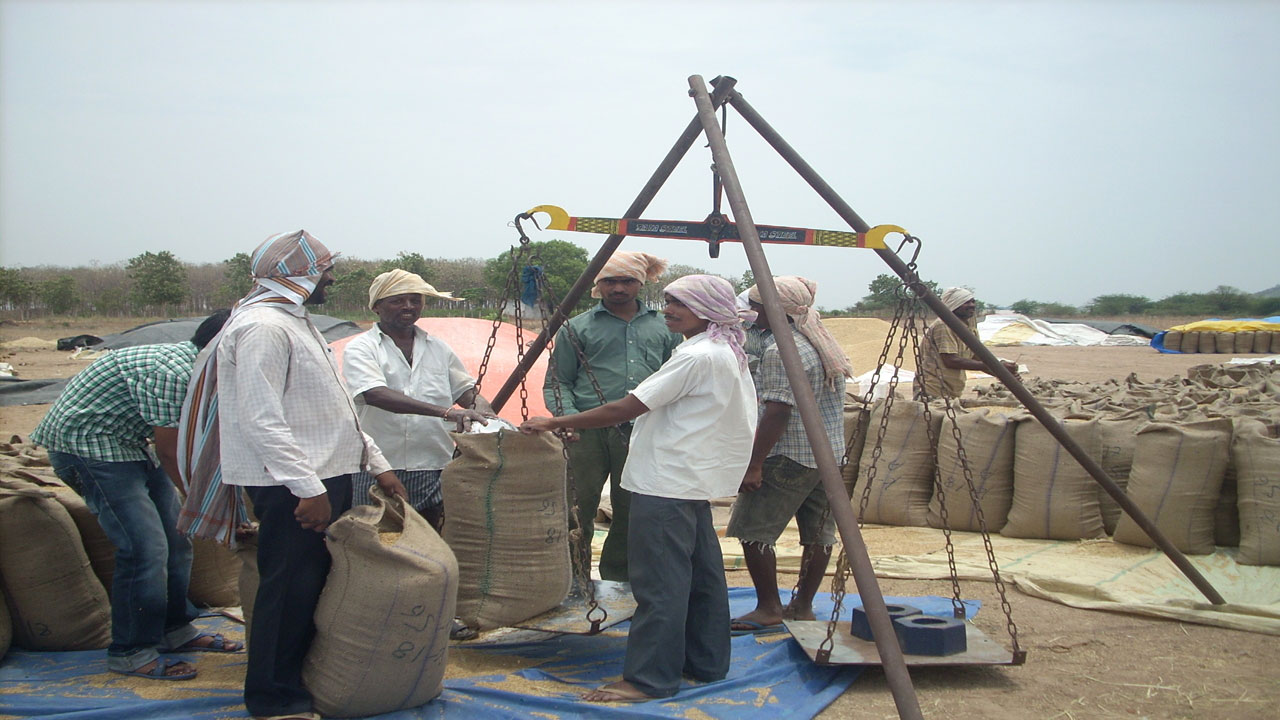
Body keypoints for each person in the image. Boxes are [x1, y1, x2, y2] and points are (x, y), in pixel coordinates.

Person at [179, 230, 408, 720]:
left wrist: (378, 464)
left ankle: (300, 681)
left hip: (326, 471)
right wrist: (306, 489)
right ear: (297, 274)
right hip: (295, 482)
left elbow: (336, 409)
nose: (330, 278)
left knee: (311, 587)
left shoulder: (296, 323)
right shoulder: (263, 327)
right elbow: (261, 418)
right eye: (324, 269)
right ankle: (273, 699)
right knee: (288, 590)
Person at [521, 274, 757, 703]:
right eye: (666, 301)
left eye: (678, 304)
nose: (667, 309)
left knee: (659, 584)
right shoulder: (725, 351)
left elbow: (626, 406)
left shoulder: (696, 356)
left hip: (664, 481)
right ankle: (705, 662)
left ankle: (649, 679)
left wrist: (555, 420)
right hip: (691, 480)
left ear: (705, 310)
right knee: (702, 578)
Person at [31, 309, 238, 681]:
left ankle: (175, 630)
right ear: (225, 346)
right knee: (145, 548)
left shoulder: (209, 374)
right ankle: (131, 651)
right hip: (88, 447)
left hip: (129, 444)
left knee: (177, 540)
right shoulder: (175, 373)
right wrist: (202, 502)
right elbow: (172, 451)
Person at [542, 251, 680, 583]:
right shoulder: (577, 328)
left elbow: (675, 379)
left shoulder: (665, 327)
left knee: (633, 512)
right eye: (610, 281)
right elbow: (558, 381)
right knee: (576, 509)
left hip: (642, 431)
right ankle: (573, 581)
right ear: (598, 285)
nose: (618, 288)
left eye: (627, 281)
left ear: (641, 282)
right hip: (586, 433)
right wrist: (569, 420)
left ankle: (620, 582)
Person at [725, 276, 853, 634]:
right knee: (818, 534)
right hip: (826, 454)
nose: (751, 312)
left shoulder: (781, 350)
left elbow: (778, 411)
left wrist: (754, 464)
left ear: (775, 310)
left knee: (753, 531)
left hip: (788, 454)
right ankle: (803, 606)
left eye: (756, 306)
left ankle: (768, 607)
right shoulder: (817, 338)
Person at [341, 269, 496, 531]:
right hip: (380, 465)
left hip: (431, 463)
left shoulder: (437, 348)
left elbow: (466, 391)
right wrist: (448, 413)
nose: (408, 306)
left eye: (415, 300)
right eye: (398, 300)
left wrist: (483, 411)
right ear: (377, 307)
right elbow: (374, 394)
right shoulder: (362, 348)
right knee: (376, 538)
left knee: (428, 538)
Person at [916, 287, 1018, 400]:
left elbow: (977, 358)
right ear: (954, 304)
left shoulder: (969, 328)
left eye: (973, 301)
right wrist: (997, 367)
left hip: (952, 389)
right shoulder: (944, 325)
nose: (971, 305)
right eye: (966, 302)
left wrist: (1004, 373)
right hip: (933, 388)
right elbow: (950, 361)